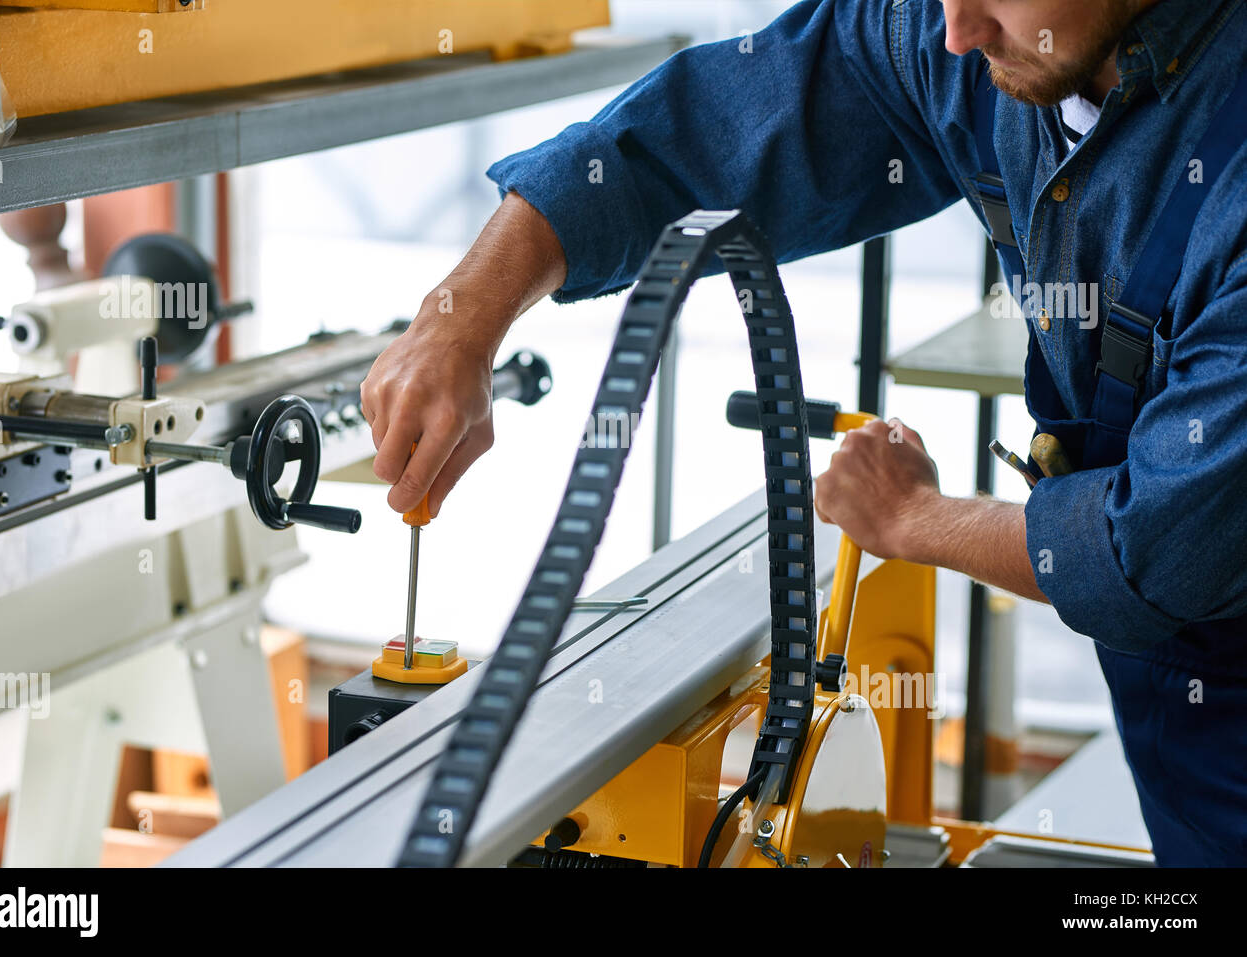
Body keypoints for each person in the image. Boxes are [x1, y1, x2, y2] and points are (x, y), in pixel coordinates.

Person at [359, 0, 1247, 866]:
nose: (956, 31)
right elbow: (700, 134)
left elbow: (1154, 551)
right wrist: (461, 315)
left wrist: (917, 518)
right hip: (1172, 703)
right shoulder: (990, 37)